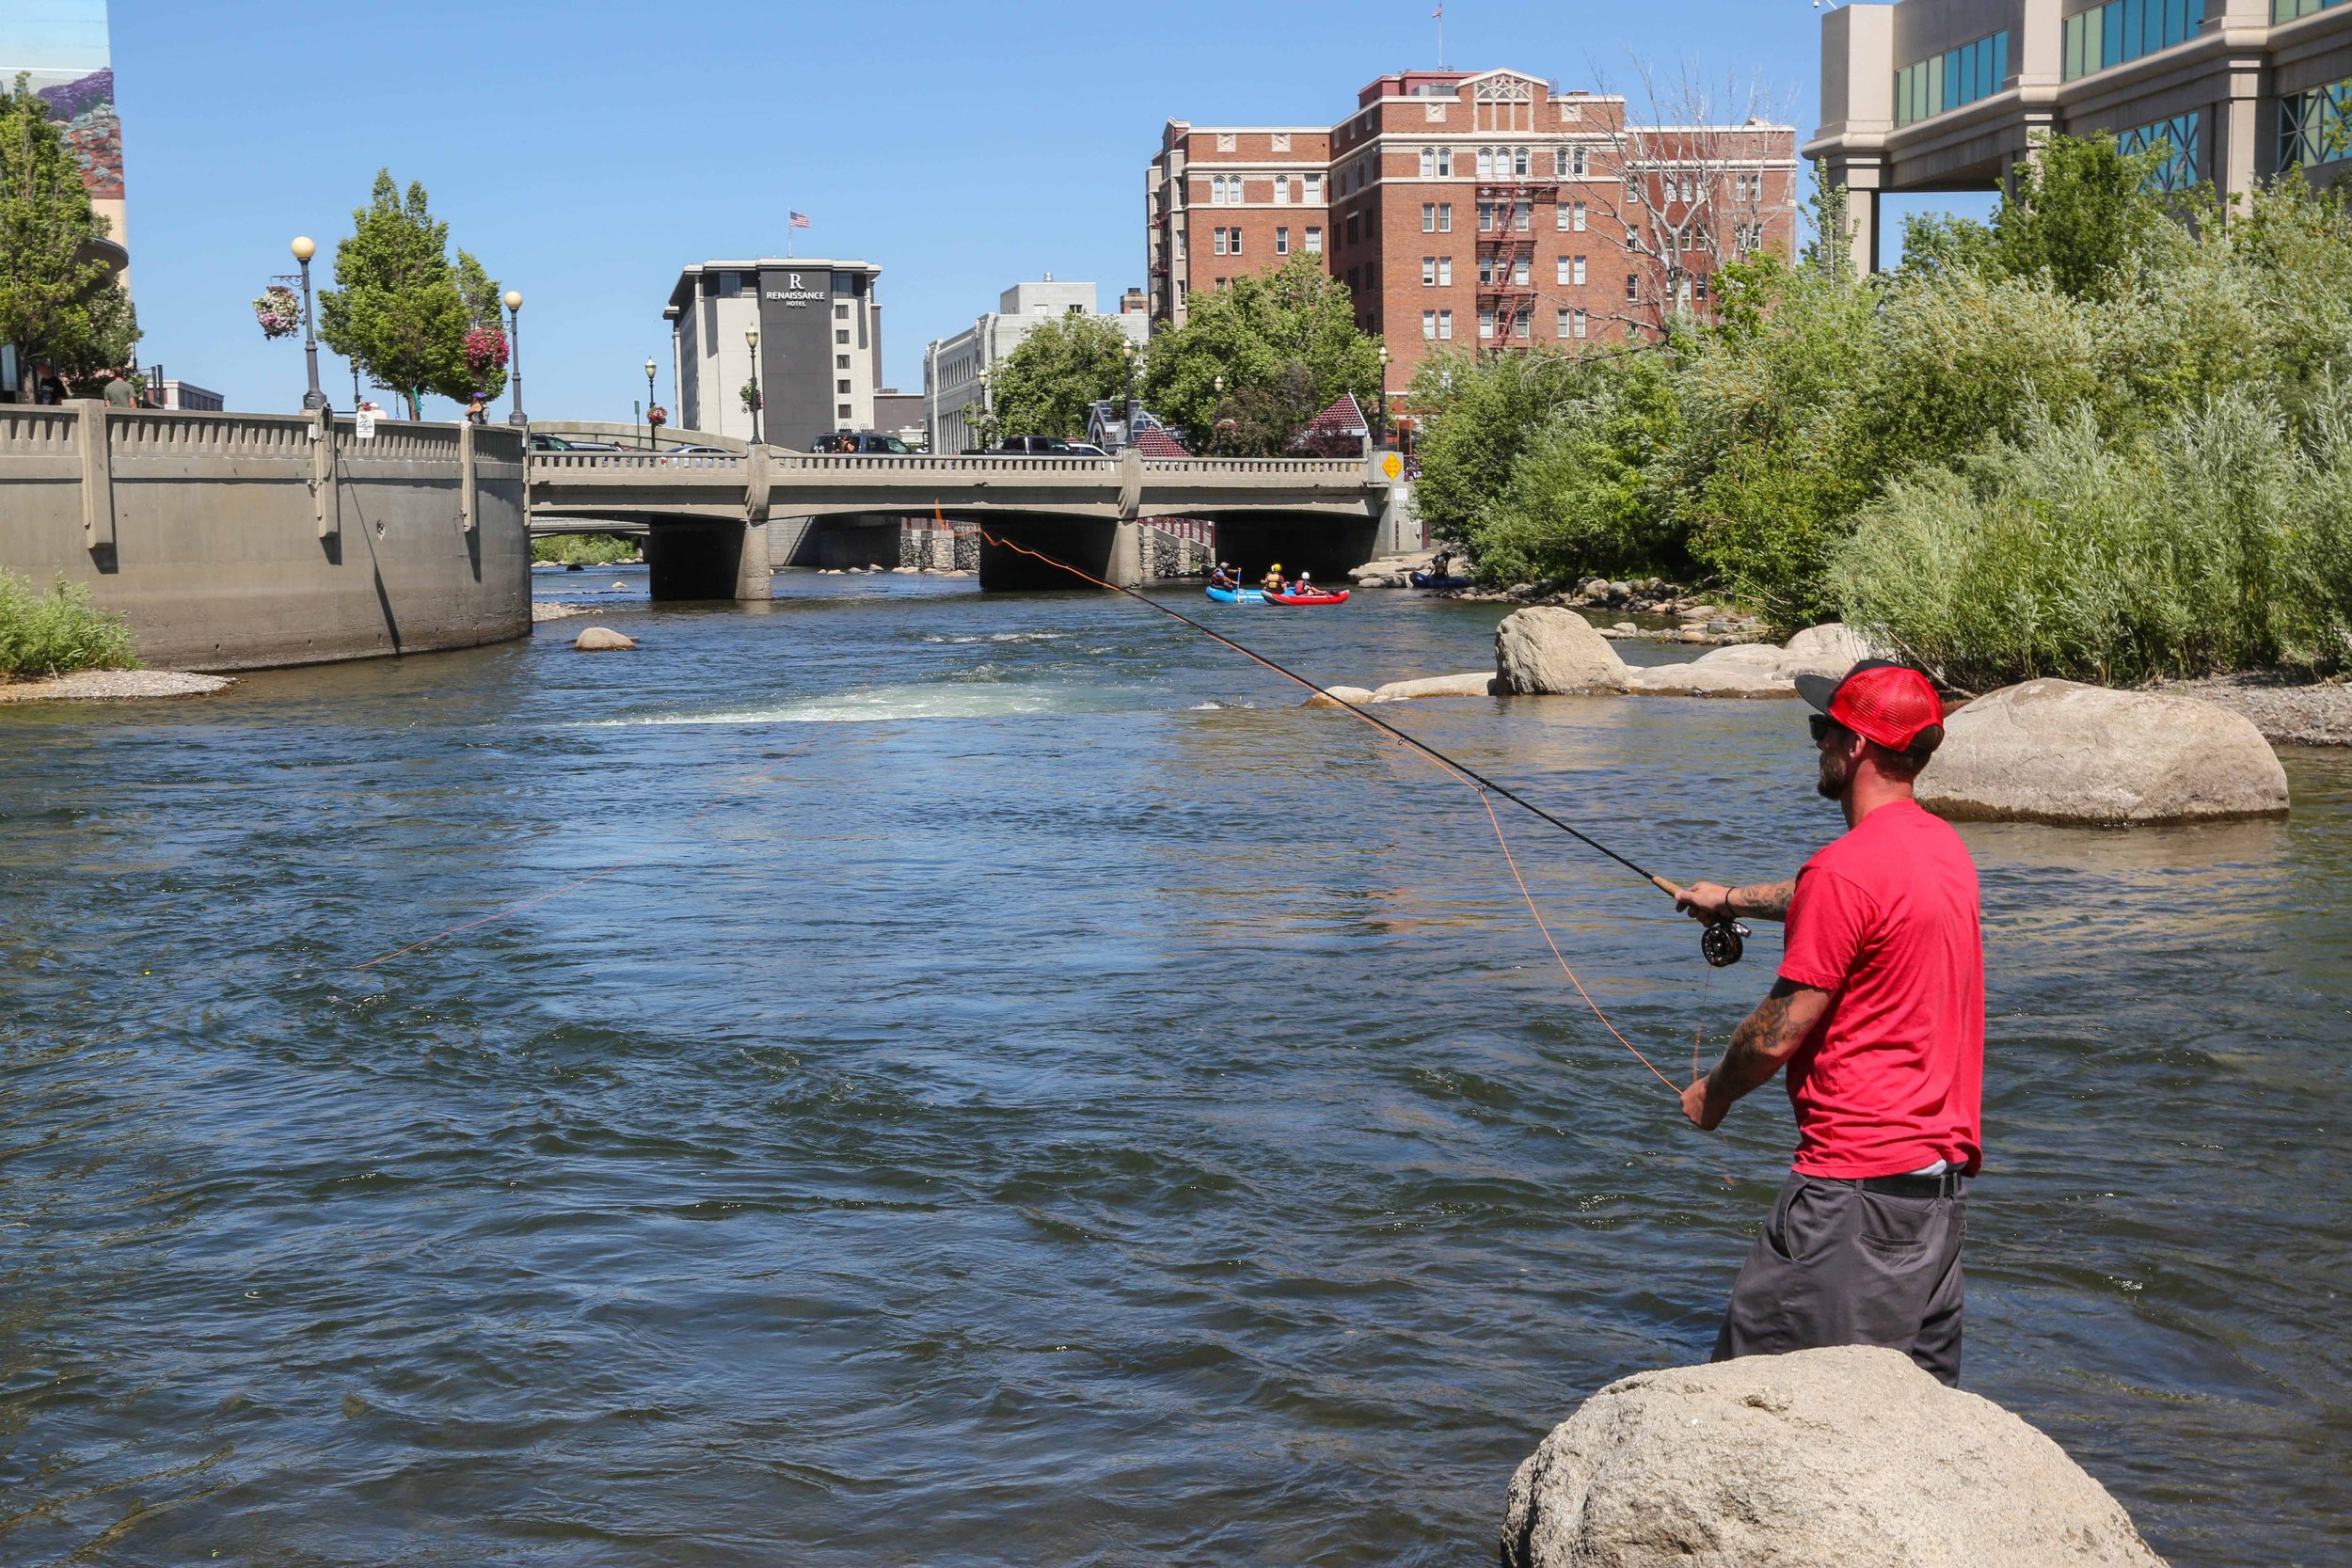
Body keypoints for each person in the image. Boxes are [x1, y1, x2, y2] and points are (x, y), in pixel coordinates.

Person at [1676, 658, 1983, 1386]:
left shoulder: (1845, 872)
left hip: (1850, 1205)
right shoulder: (1945, 850)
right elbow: (1840, 898)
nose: (1817, 743)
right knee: (1906, 1427)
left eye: (1824, 729)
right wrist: (1733, 899)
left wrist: (1712, 1094)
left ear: (1856, 749)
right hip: (1935, 1206)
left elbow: (1777, 1034)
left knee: (1749, 1403)